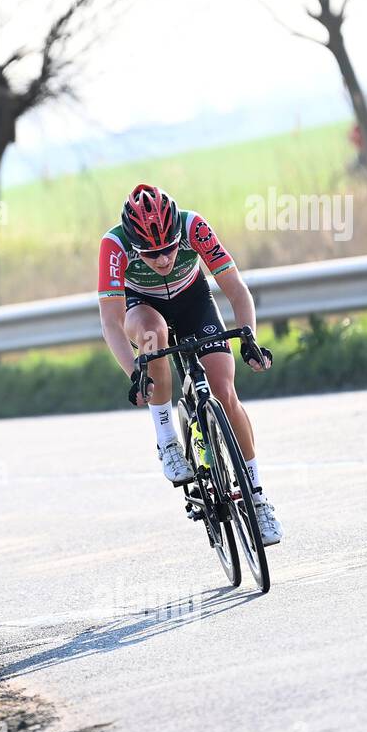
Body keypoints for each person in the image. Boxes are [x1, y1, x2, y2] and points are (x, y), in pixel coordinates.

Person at [97, 184, 282, 545]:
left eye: (168, 250)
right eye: (151, 254)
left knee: (224, 393)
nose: (163, 260)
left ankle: (257, 499)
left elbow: (236, 289)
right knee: (154, 335)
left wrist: (249, 338)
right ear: (134, 245)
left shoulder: (193, 226)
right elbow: (111, 322)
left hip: (193, 300)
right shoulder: (114, 245)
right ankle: (167, 441)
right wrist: (135, 372)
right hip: (143, 306)